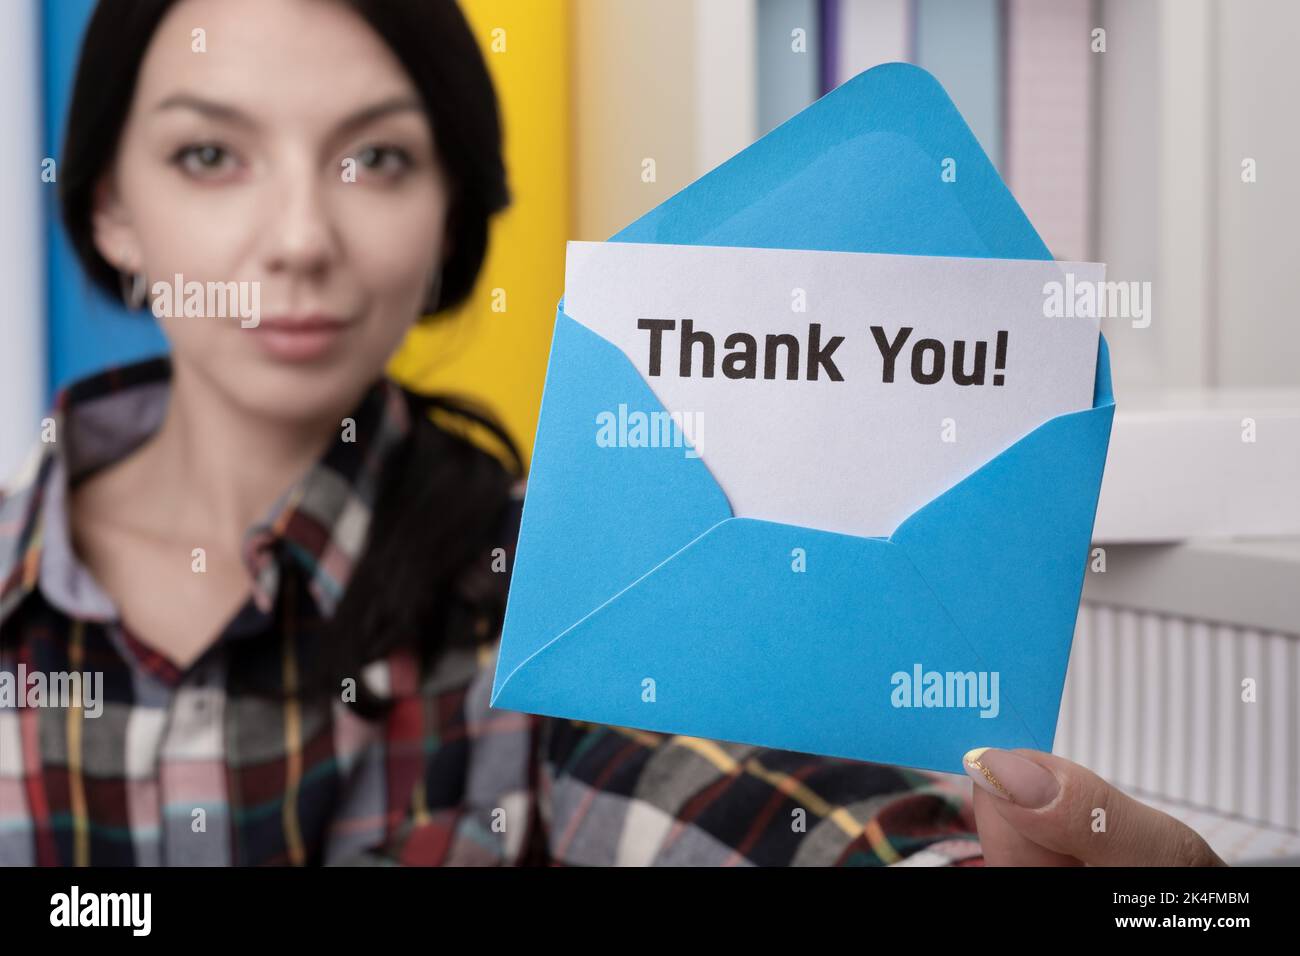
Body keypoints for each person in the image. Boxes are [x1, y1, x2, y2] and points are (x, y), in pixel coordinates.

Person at [0, 0, 1223, 867]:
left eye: (375, 157)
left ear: (448, 217)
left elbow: (748, 796)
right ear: (109, 208)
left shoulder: (542, 579)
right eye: (210, 153)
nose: (300, 238)